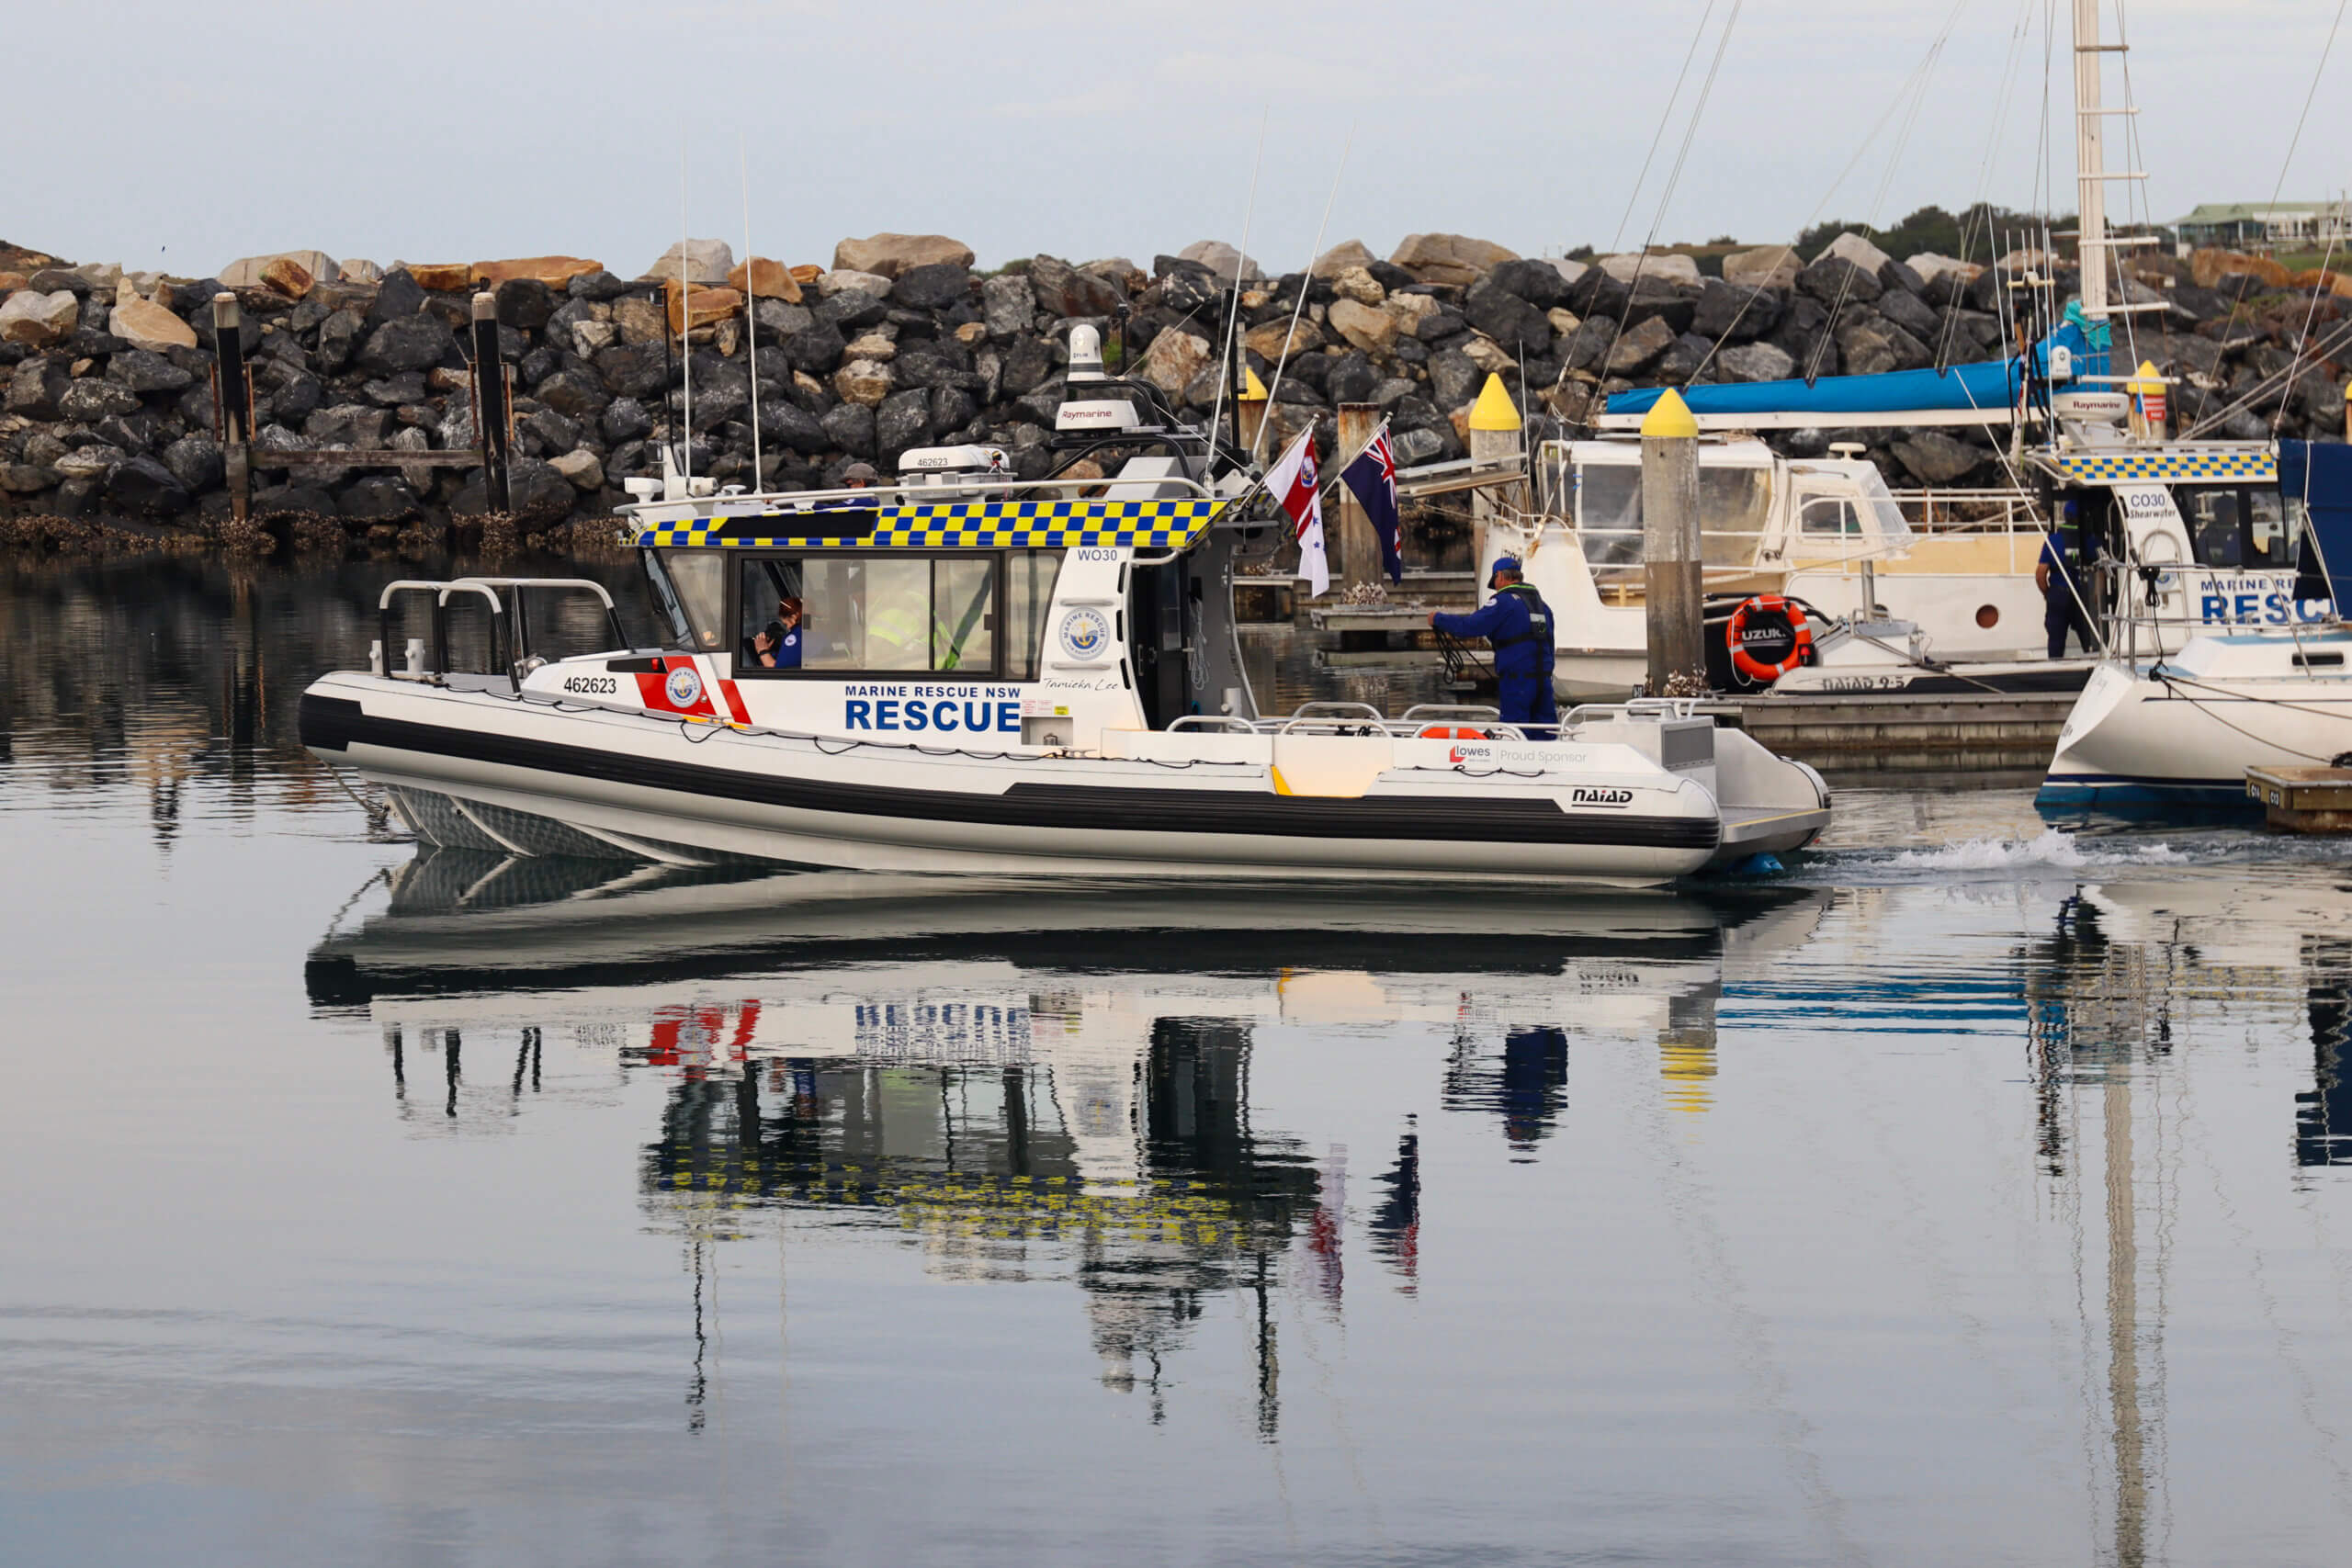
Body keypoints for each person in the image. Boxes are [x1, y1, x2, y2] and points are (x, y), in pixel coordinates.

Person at [1430, 556, 1558, 735]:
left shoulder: (1503, 602)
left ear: (1500, 576)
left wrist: (1438, 619)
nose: (1496, 586)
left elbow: (1469, 626)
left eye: (1495, 581)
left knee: (1514, 734)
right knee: (1546, 733)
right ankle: (1548, 761)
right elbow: (1550, 642)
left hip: (1518, 681)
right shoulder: (1542, 606)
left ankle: (1514, 762)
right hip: (1543, 680)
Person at [2037, 500, 2100, 659]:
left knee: (2056, 643)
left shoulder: (2052, 541)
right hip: (2082, 595)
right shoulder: (2091, 541)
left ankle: (2054, 671)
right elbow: (2101, 570)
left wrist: (2048, 593)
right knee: (2090, 641)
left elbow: (2040, 573)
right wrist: (2097, 595)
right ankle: (2095, 669)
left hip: (2058, 595)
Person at [752, 596, 803, 670]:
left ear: (794, 617)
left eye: (786, 624)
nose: (788, 628)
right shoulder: (813, 634)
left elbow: (779, 671)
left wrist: (762, 650)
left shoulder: (795, 636)